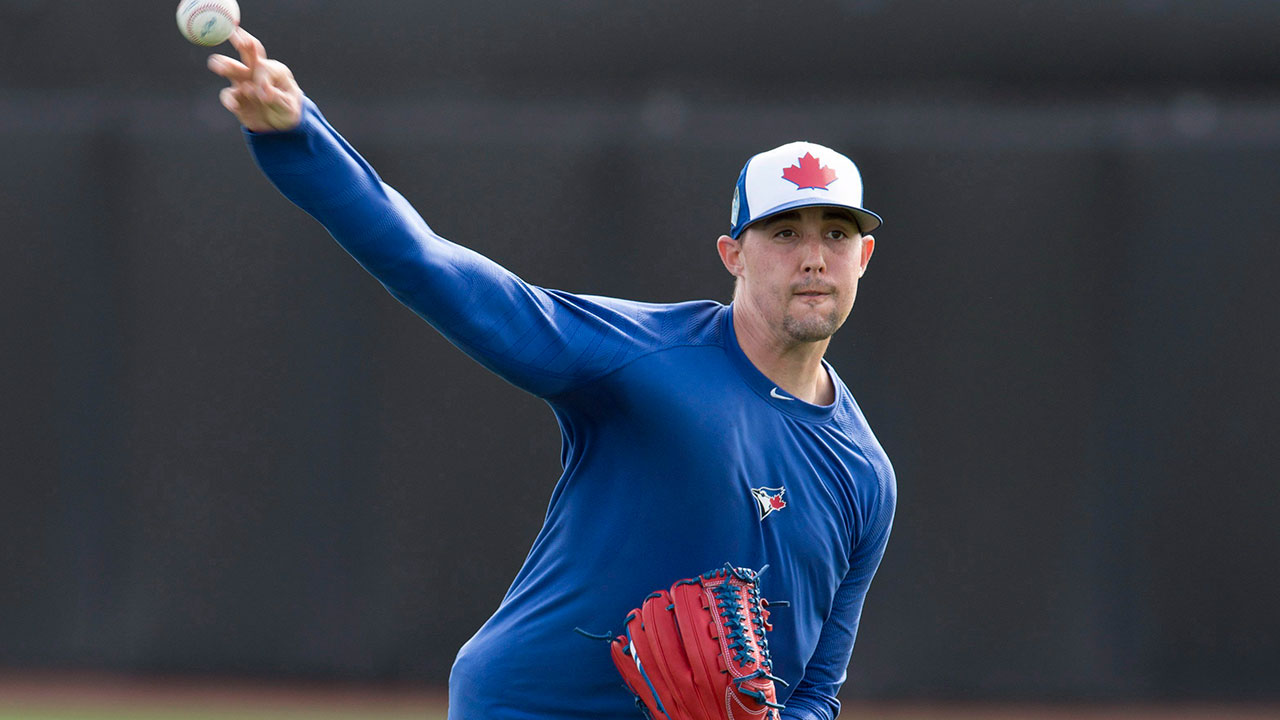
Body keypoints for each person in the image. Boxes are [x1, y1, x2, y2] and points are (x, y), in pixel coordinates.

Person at [207, 28, 896, 720]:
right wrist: (302, 139)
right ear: (732, 255)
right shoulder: (646, 359)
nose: (813, 257)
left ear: (862, 257)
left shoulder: (863, 474)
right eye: (784, 233)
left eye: (835, 234)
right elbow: (437, 272)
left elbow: (815, 689)